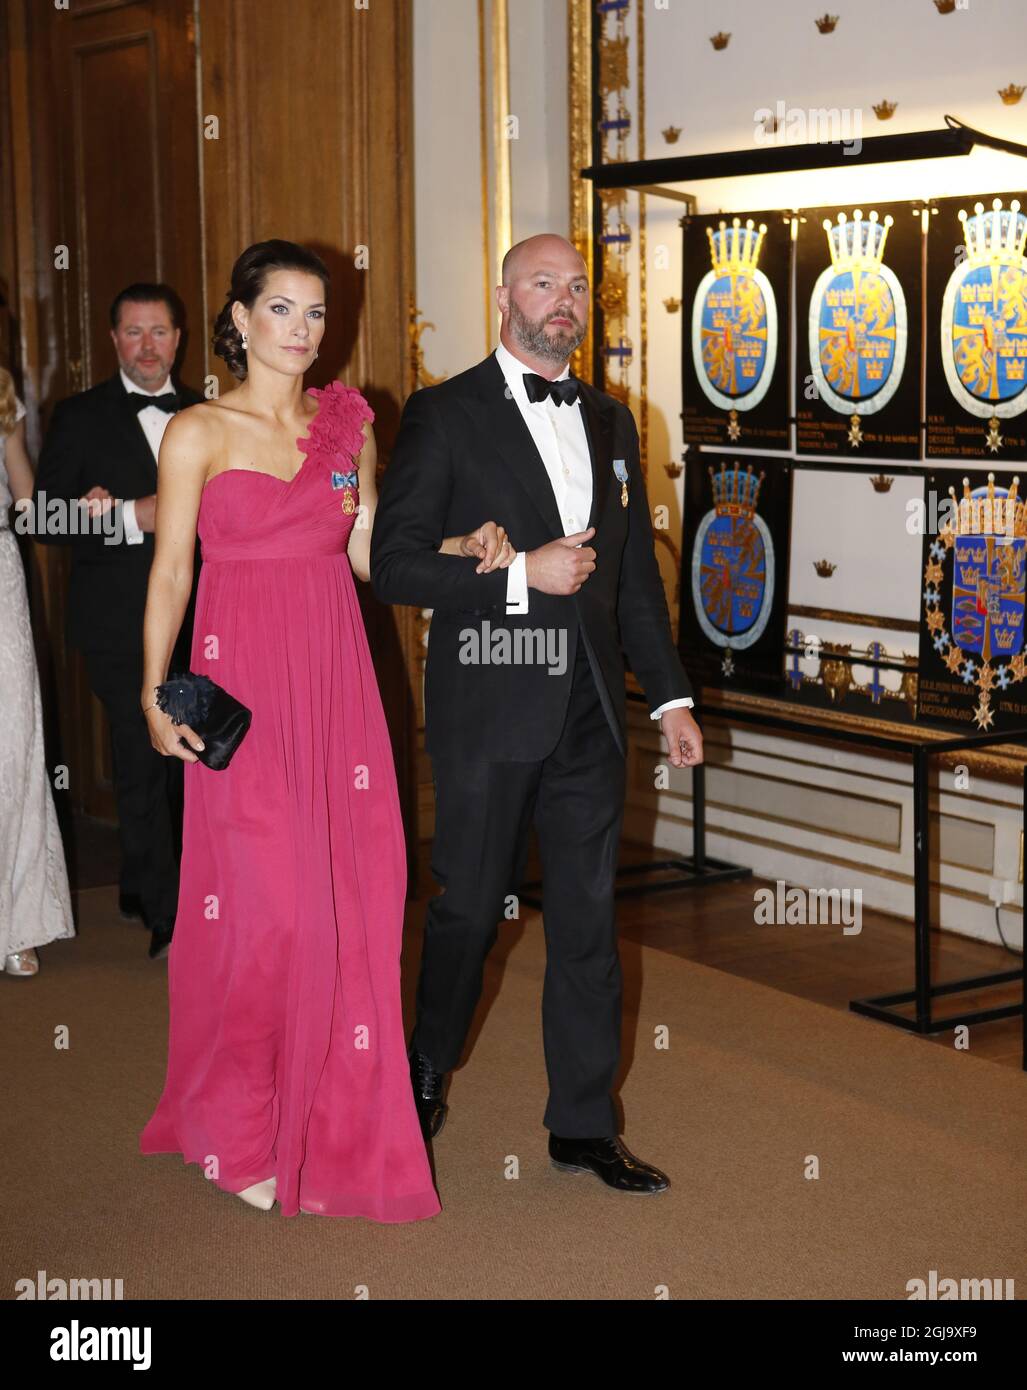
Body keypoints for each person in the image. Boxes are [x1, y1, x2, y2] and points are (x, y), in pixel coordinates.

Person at [137, 239, 510, 1219]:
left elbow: (366, 549)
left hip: (336, 685)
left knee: (357, 899)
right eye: (282, 310)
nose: (303, 330)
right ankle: (237, 1122)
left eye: (315, 313)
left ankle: (325, 1115)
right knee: (268, 913)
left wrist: (460, 547)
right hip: (243, 693)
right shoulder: (197, 433)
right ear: (239, 319)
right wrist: (151, 688)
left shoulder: (348, 429)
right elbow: (171, 570)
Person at [371, 233, 704, 1195]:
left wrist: (671, 693)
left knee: (589, 925)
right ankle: (421, 1078)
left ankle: (582, 1124)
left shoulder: (610, 418)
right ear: (503, 293)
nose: (562, 300)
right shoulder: (444, 412)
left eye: (574, 288)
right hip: (488, 698)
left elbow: (633, 577)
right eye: (542, 283)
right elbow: (393, 565)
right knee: (469, 913)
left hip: (593, 711)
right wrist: (521, 570)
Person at [33, 285, 202, 960]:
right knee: (140, 756)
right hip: (116, 623)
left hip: (202, 615)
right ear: (113, 341)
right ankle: (170, 915)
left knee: (190, 761)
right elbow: (44, 520)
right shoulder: (78, 417)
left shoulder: (208, 412)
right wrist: (126, 514)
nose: (147, 346)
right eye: (133, 333)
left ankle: (146, 879)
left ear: (179, 338)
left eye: (158, 332)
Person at [0, 369, 75, 975]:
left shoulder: (3, 396)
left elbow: (30, 505)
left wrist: (90, 514)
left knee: (14, 742)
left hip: (0, 575)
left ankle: (18, 922)